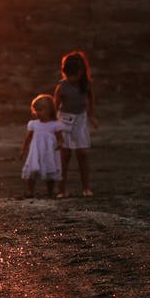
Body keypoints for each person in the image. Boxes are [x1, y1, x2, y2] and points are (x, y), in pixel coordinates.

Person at [54, 50, 98, 197]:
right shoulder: (62, 86)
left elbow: (91, 99)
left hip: (80, 119)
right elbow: (55, 107)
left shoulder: (86, 84)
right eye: (68, 75)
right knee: (64, 156)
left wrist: (91, 116)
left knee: (82, 154)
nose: (71, 78)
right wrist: (54, 127)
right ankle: (62, 190)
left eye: (74, 75)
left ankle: (86, 188)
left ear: (81, 71)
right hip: (64, 120)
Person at [20, 94, 64, 198]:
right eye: (35, 110)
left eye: (40, 110)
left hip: (49, 152)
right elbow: (28, 138)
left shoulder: (55, 125)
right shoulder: (34, 124)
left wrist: (60, 143)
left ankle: (50, 191)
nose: (37, 113)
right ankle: (30, 191)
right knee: (31, 171)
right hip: (35, 152)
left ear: (49, 110)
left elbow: (60, 138)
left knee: (50, 170)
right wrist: (23, 150)